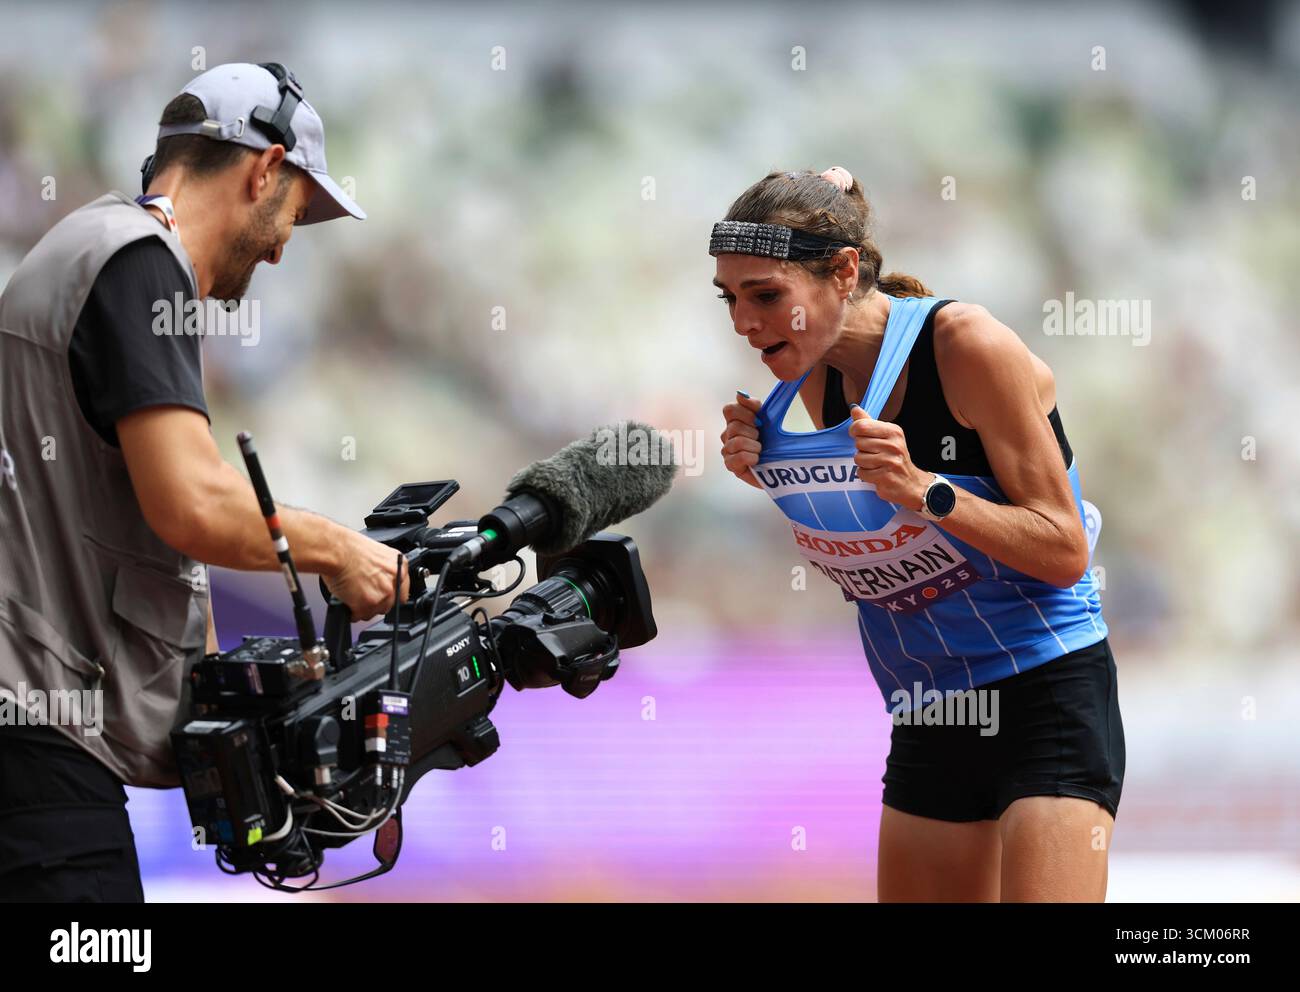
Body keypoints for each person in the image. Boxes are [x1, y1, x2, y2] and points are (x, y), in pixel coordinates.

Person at [0, 63, 409, 901]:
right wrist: (342, 553)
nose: (286, 242)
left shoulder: (80, 244)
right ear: (264, 169)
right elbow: (189, 502)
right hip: (35, 743)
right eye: (296, 209)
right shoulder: (141, 264)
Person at [715, 167, 1124, 902]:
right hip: (930, 704)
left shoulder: (968, 344)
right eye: (732, 298)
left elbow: (1065, 551)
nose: (744, 323)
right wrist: (769, 473)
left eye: (766, 295)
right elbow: (876, 535)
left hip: (1045, 688)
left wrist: (928, 492)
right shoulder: (816, 374)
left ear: (844, 272)